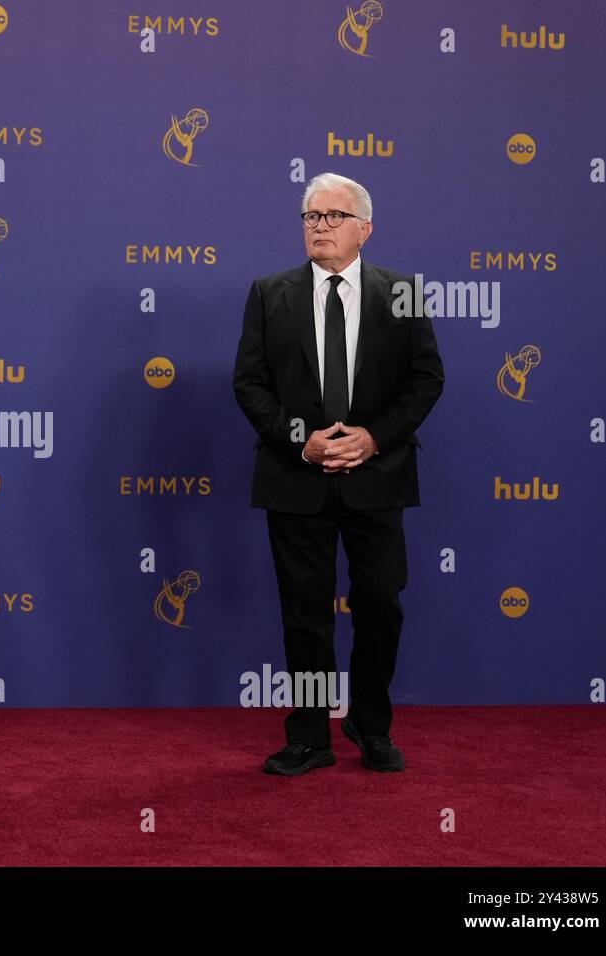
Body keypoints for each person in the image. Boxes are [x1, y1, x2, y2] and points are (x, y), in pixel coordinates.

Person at [232, 172, 444, 776]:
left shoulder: (402, 293)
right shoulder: (269, 293)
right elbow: (250, 383)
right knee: (305, 616)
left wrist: (373, 438)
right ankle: (309, 737)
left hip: (378, 477)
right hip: (296, 478)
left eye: (333, 216)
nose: (319, 226)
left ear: (364, 229)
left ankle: (370, 725)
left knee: (380, 607)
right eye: (311, 216)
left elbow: (426, 379)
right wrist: (303, 442)